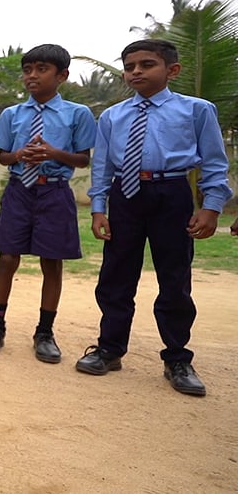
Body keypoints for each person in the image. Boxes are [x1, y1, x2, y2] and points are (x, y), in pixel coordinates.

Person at [75, 39, 232, 397]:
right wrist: (99, 207)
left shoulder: (196, 111)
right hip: (125, 196)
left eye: (147, 65)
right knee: (115, 275)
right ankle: (109, 349)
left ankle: (177, 357)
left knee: (175, 278)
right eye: (130, 66)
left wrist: (211, 206)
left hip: (172, 193)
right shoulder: (113, 116)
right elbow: (103, 167)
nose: (136, 72)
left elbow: (213, 162)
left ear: (171, 70)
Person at [0, 44, 95, 362]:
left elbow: (83, 159)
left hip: (54, 192)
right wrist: (19, 155)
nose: (32, 76)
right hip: (19, 191)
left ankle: (45, 332)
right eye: (28, 69)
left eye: (42, 69)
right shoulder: (12, 114)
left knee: (52, 262)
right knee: (7, 257)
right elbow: (3, 155)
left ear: (62, 76)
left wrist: (54, 153)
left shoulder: (77, 114)